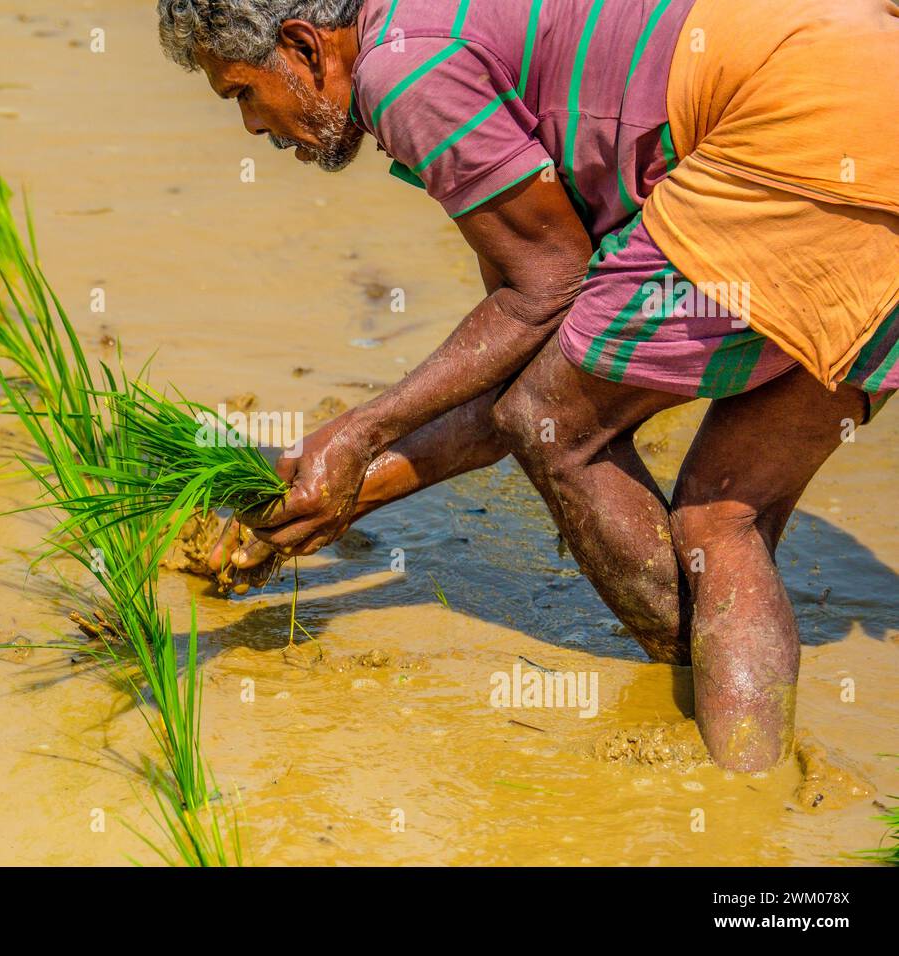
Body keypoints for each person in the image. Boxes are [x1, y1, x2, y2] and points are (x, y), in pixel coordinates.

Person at [154, 0, 899, 770]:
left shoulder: (402, 67)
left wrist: (354, 435)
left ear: (306, 46)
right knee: (720, 519)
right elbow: (519, 365)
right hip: (867, 94)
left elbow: (543, 327)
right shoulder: (449, 34)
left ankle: (719, 779)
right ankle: (756, 819)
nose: (251, 128)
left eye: (241, 92)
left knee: (565, 427)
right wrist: (343, 490)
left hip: (798, 130)